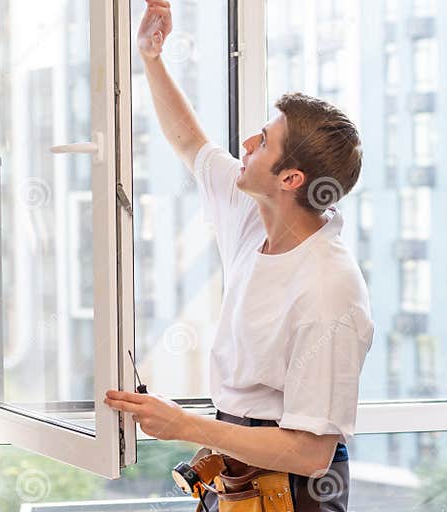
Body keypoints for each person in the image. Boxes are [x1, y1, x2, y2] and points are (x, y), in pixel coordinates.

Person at [104, 1, 374, 509]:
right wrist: (151, 58)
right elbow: (190, 143)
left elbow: (313, 451)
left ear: (291, 179)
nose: (247, 143)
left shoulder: (330, 290)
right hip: (236, 470)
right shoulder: (255, 215)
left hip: (293, 492)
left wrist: (182, 423)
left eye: (265, 140)